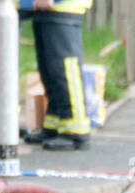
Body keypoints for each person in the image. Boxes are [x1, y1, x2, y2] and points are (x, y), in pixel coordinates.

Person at [23, 0, 93, 151]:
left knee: (64, 70)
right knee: (49, 71)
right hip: (44, 9)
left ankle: (75, 131)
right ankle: (54, 124)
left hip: (63, 7)